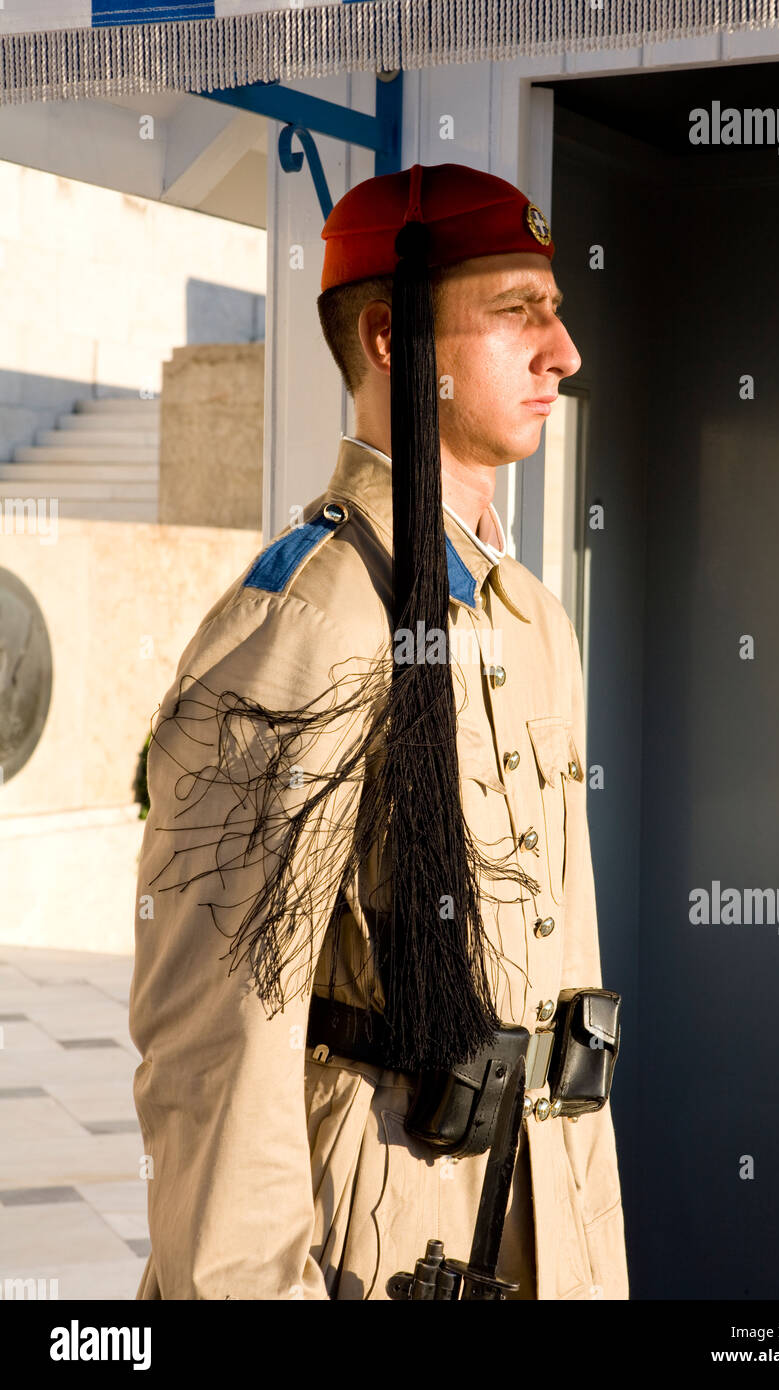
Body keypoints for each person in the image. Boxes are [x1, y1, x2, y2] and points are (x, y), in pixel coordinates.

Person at [129, 161, 628, 1301]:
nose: (564, 352)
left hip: (542, 1225)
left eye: (552, 311)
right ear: (397, 341)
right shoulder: (301, 623)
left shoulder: (532, 617)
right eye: (518, 313)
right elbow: (216, 1043)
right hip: (379, 1245)